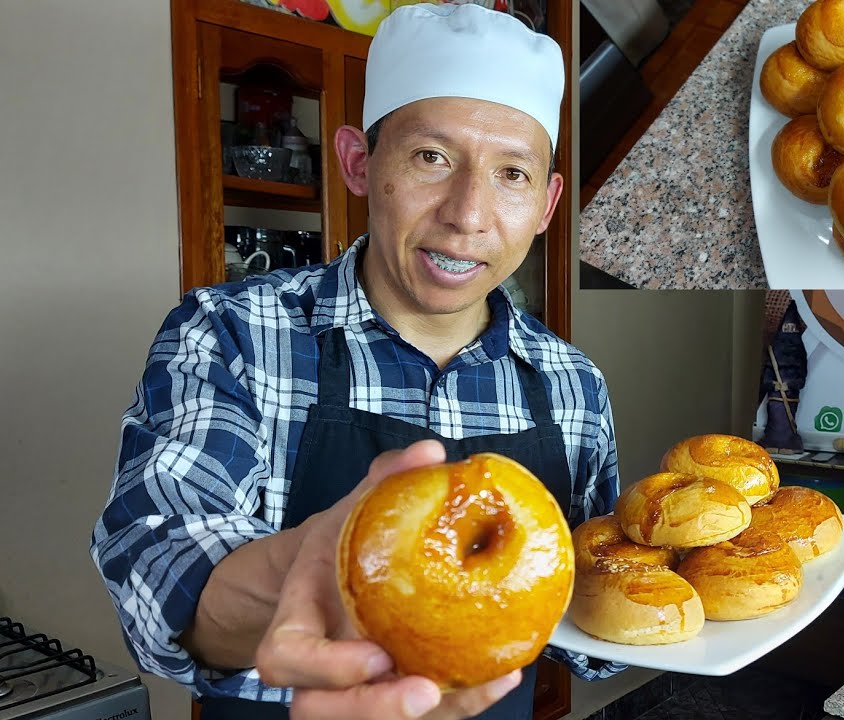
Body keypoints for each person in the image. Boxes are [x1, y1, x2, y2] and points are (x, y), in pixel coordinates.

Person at [89, 6, 624, 719]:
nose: (468, 215)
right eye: (432, 157)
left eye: (512, 173)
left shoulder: (572, 384)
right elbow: (158, 564)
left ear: (547, 204)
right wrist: (304, 574)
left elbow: (590, 617)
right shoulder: (232, 334)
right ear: (357, 163)